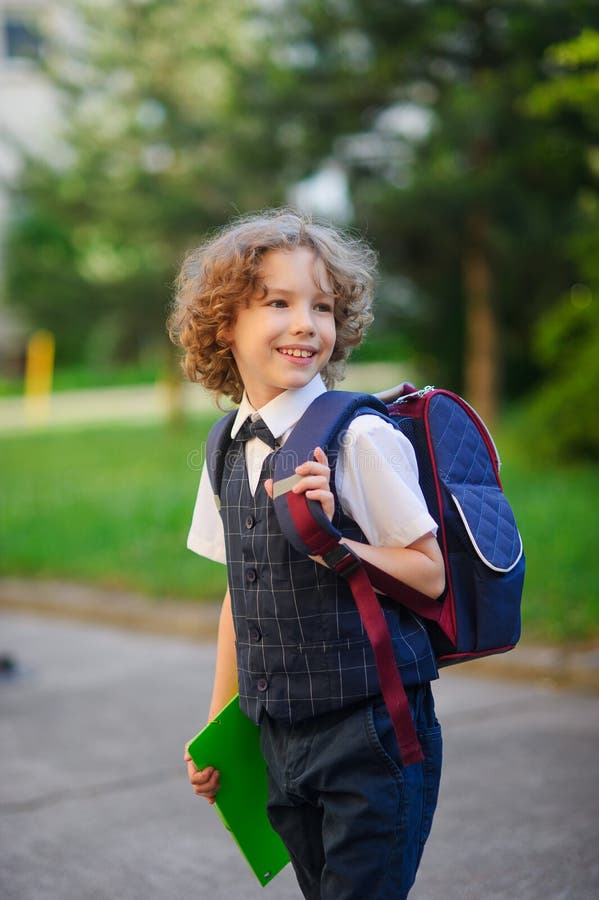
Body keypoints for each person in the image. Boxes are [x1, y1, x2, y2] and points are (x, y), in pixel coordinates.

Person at [168, 209, 445, 900]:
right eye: (278, 303)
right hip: (278, 739)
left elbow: (429, 574)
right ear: (223, 324)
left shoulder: (359, 439)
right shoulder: (225, 446)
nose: (305, 325)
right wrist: (220, 729)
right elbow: (240, 592)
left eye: (321, 306)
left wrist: (335, 543)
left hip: (371, 733)